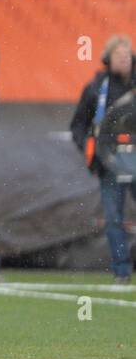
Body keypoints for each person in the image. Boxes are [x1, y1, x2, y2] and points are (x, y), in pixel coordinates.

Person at [69, 35, 135, 282]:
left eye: (127, 55)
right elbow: (78, 125)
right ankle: (121, 271)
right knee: (113, 218)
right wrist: (90, 150)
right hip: (111, 162)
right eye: (119, 56)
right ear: (108, 60)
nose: (124, 60)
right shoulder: (97, 88)